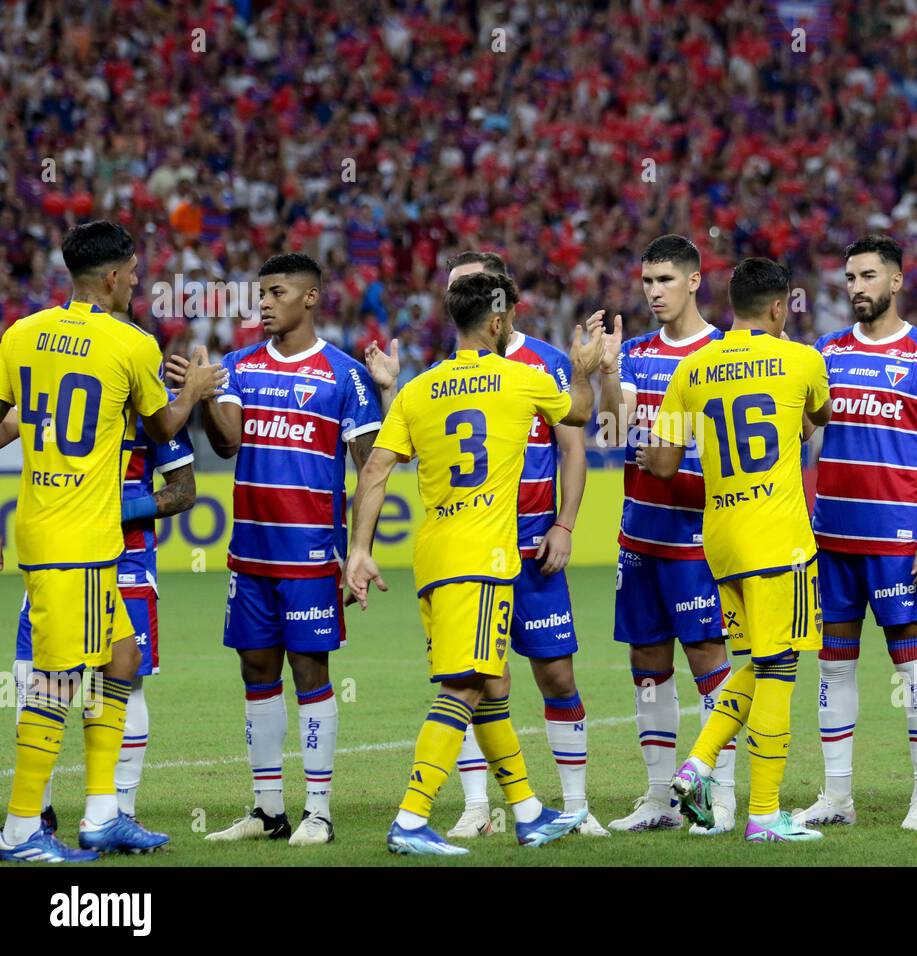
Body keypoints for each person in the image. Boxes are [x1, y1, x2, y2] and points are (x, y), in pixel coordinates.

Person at [345, 270, 605, 856]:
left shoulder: (417, 389)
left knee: (490, 683)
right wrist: (584, 367)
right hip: (483, 560)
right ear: (495, 322)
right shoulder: (522, 380)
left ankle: (529, 811)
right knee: (464, 688)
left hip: (433, 559)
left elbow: (375, 470)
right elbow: (580, 418)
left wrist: (359, 551)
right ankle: (411, 818)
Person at [0, 220, 221, 862]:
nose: (137, 282)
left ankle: (102, 817)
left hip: (58, 529)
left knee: (120, 658)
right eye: (133, 272)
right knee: (54, 683)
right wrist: (195, 390)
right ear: (115, 276)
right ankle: (20, 832)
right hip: (76, 539)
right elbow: (165, 424)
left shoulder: (22, 334)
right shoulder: (131, 343)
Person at [167, 252, 388, 847]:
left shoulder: (344, 375)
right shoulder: (238, 365)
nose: (263, 302)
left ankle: (319, 810)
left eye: (276, 291)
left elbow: (372, 467)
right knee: (255, 671)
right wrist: (206, 393)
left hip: (312, 558)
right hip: (251, 556)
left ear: (310, 298)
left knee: (311, 672)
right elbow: (228, 441)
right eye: (260, 293)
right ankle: (268, 809)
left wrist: (360, 549)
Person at [640, 256, 831, 842]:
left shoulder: (694, 368)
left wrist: (653, 454)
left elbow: (665, 463)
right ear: (779, 307)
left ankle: (697, 765)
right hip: (779, 541)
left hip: (720, 539)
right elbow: (816, 419)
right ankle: (765, 814)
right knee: (781, 669)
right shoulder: (803, 360)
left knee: (755, 662)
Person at [797, 234, 917, 832]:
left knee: (912, 665)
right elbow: (799, 435)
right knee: (834, 667)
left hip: (896, 543)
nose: (856, 288)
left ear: (896, 281)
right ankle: (837, 795)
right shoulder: (824, 353)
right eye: (850, 277)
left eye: (868, 277)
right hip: (831, 541)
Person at [594, 235, 737, 834]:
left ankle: (722, 797)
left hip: (699, 543)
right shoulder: (637, 354)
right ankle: (659, 799)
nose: (653, 292)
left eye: (665, 281)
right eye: (647, 281)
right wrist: (606, 374)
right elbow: (609, 433)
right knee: (648, 664)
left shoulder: (726, 354)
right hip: (640, 538)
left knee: (709, 660)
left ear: (695, 281)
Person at [8, 407, 196, 835]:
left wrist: (110, 512)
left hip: (125, 559)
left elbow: (183, 491)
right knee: (33, 673)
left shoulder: (156, 402)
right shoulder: (53, 384)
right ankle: (37, 814)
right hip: (57, 551)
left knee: (124, 676)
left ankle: (118, 810)